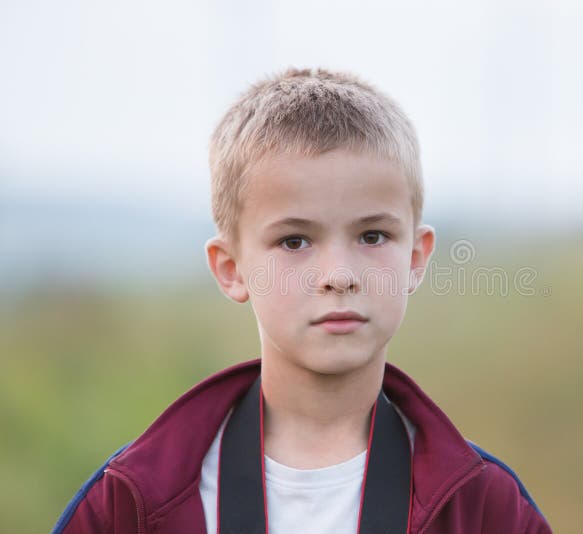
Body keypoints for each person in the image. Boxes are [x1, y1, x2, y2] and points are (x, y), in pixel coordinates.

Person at [53, 67, 552, 534]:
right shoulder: (135, 502)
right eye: (294, 241)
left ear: (416, 258)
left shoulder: (483, 508)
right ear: (231, 269)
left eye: (373, 236)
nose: (338, 276)